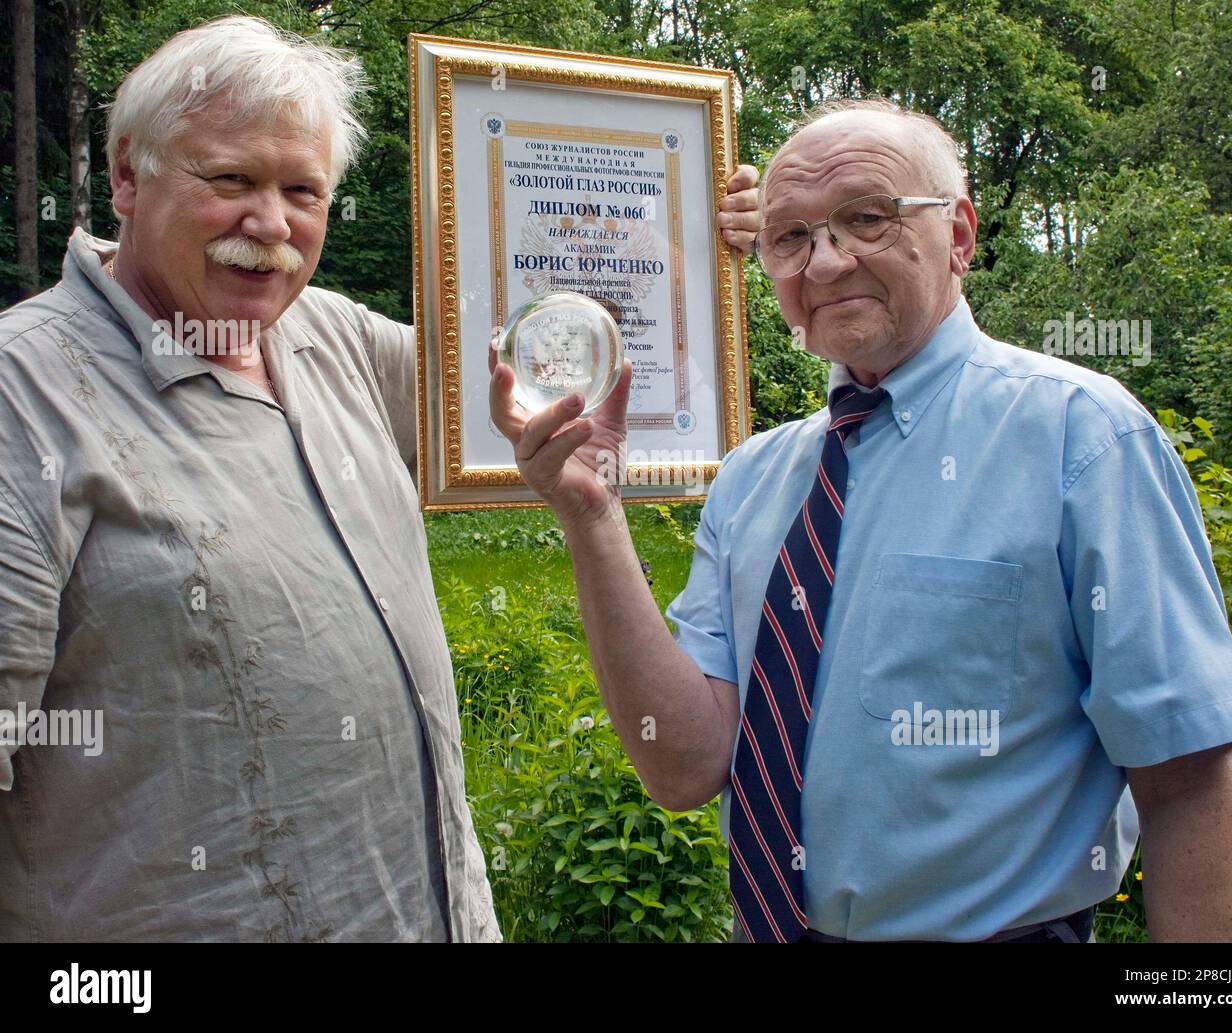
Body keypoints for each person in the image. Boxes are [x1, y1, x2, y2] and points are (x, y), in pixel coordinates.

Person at [0, 15, 761, 941]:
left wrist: (693, 242)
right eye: (231, 179)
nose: (270, 224)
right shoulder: (25, 394)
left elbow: (560, 357)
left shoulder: (336, 339)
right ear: (126, 174)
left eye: (302, 190)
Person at [490, 97, 1232, 943]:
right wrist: (593, 514)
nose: (824, 263)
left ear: (960, 235)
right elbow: (684, 766)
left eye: (866, 217)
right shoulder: (753, 479)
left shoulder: (1081, 438)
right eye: (789, 237)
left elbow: (1187, 776)